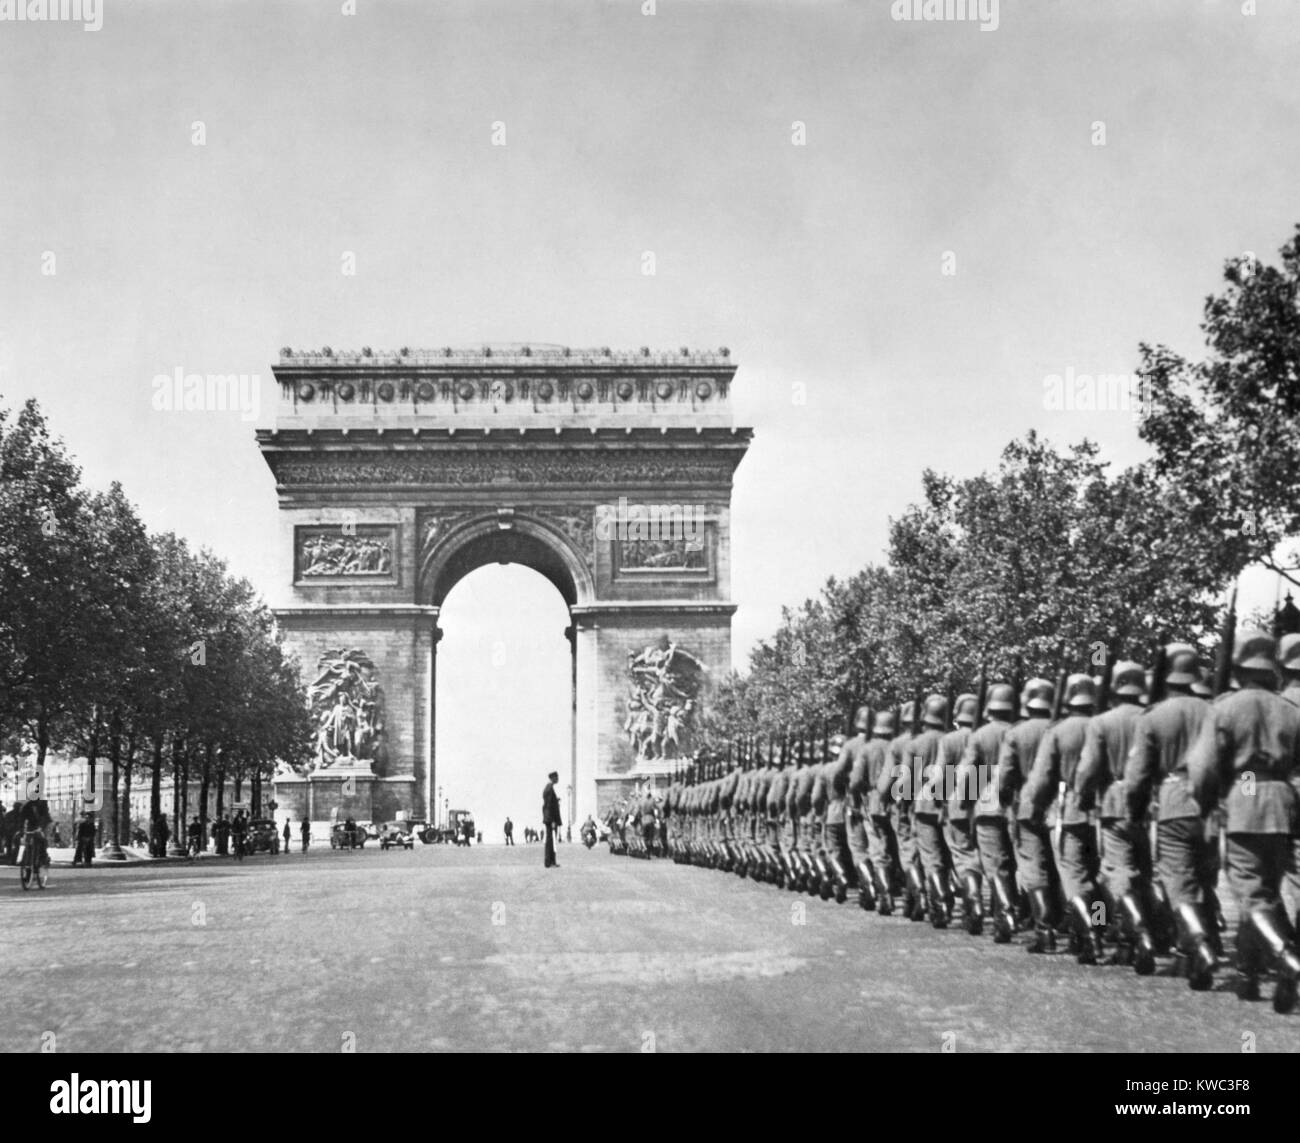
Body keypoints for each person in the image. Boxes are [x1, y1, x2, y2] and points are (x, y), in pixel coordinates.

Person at [1189, 631, 1300, 1012]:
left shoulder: (1225, 707)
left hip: (1246, 801)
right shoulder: (1290, 709)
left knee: (1250, 892)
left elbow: (1203, 769)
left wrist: (1208, 803)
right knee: (1265, 891)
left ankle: (1286, 957)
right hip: (1282, 803)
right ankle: (1249, 973)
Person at [1125, 643, 1217, 989]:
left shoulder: (1154, 716)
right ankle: (1197, 945)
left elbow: (1138, 775)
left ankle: (1199, 942)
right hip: (1211, 806)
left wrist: (1135, 812)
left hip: (1174, 801)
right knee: (1204, 878)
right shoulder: (1214, 710)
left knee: (1178, 881)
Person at [542, 770, 562, 868]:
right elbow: (549, 806)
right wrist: (553, 820)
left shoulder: (548, 788)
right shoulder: (550, 788)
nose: (557, 779)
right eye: (556, 777)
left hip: (549, 818)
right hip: (551, 819)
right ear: (553, 778)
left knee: (550, 840)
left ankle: (550, 861)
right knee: (551, 840)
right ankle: (550, 862)